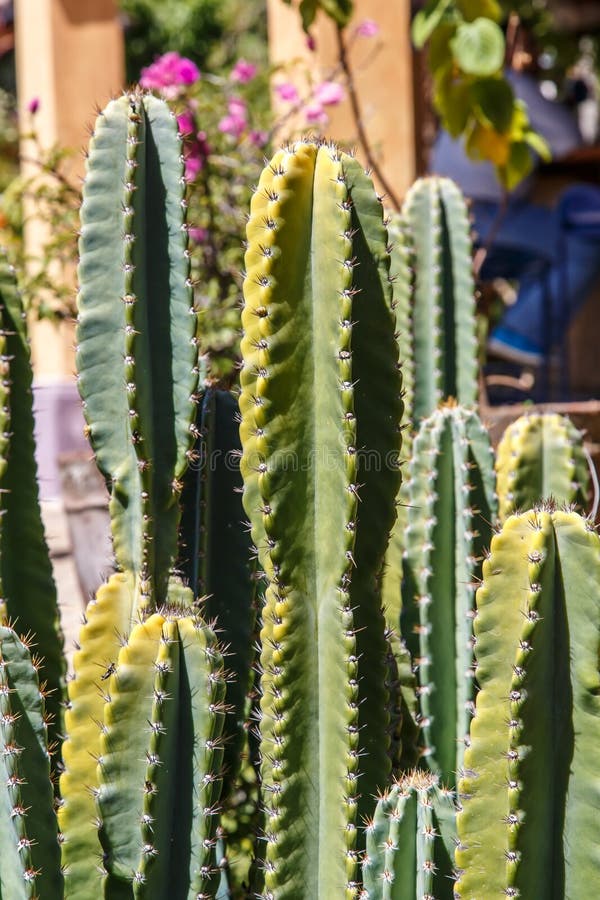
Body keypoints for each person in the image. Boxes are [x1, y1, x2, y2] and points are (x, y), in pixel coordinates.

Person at [431, 67, 600, 367]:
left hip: (442, 221)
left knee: (541, 261)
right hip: (482, 217)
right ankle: (520, 336)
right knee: (583, 242)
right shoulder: (509, 84)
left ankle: (516, 335)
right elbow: (570, 141)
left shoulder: (461, 85)